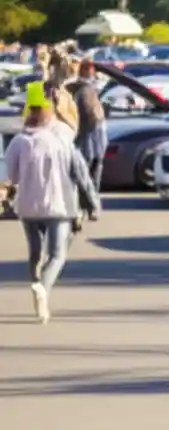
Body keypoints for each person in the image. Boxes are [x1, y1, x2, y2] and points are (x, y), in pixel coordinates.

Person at [5, 82, 100, 324]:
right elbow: (80, 173)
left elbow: (11, 178)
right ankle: (43, 289)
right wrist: (93, 204)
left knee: (35, 250)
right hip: (59, 204)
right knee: (57, 254)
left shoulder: (18, 141)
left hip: (27, 206)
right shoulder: (63, 138)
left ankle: (35, 281)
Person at [69, 60, 106, 189]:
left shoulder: (90, 86)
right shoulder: (82, 88)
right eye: (89, 70)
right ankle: (87, 192)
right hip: (89, 130)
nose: (92, 73)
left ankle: (90, 190)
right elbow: (87, 111)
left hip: (93, 130)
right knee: (88, 161)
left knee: (94, 161)